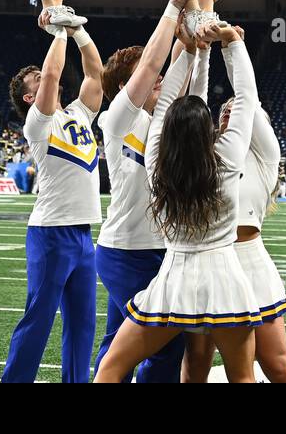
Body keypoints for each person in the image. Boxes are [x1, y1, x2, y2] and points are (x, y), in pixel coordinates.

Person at [95, 24, 261, 383]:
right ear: (210, 132)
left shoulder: (158, 161)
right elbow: (247, 98)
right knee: (242, 376)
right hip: (225, 280)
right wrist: (230, 45)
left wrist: (191, 51)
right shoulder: (227, 159)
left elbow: (170, 101)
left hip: (173, 278)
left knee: (111, 366)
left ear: (167, 131)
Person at [92, 0, 195, 383]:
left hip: (157, 248)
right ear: (123, 85)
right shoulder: (115, 119)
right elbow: (156, 63)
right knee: (164, 341)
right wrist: (173, 8)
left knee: (117, 342)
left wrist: (192, 33)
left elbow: (174, 74)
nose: (156, 79)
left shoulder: (160, 118)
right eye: (144, 76)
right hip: (125, 250)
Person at [0, 15, 104, 383]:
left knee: (82, 326)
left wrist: (79, 32)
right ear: (30, 97)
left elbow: (95, 76)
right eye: (36, 80)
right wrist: (59, 31)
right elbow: (53, 74)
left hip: (82, 234)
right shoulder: (37, 123)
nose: (43, 78)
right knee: (38, 322)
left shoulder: (77, 114)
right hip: (51, 235)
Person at [182, 80, 286, 383]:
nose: (227, 115)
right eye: (224, 111)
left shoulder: (264, 157)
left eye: (237, 112)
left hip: (249, 263)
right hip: (206, 262)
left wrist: (233, 47)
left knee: (276, 364)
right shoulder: (207, 156)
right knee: (196, 364)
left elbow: (250, 97)